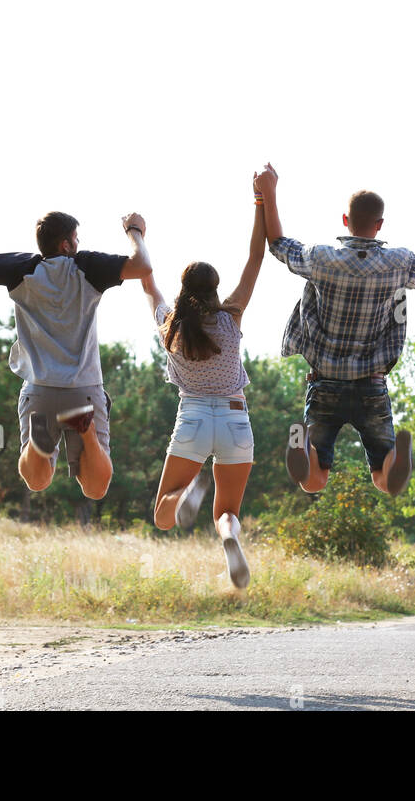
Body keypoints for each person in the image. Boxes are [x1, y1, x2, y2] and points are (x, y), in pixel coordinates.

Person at [258, 163, 415, 497]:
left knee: (314, 480)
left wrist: (268, 192)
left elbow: (278, 244)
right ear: (380, 224)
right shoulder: (398, 263)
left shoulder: (322, 259)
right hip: (371, 385)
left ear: (345, 220)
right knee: (384, 480)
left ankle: (302, 444)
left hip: (324, 381)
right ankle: (394, 459)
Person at [0, 201, 152, 500]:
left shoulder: (21, 268)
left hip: (38, 391)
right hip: (84, 390)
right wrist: (135, 231)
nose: (79, 245)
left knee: (37, 481)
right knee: (95, 488)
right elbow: (142, 265)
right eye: (76, 239)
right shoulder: (88, 267)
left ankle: (37, 444)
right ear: (66, 244)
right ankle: (87, 434)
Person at [138, 180, 267, 589]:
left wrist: (136, 233)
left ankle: (187, 493)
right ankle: (229, 536)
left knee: (163, 514)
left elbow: (146, 281)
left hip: (192, 418)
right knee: (225, 512)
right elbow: (255, 257)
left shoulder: (168, 328)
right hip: (235, 420)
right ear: (215, 289)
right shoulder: (232, 317)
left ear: (184, 290)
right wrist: (260, 200)